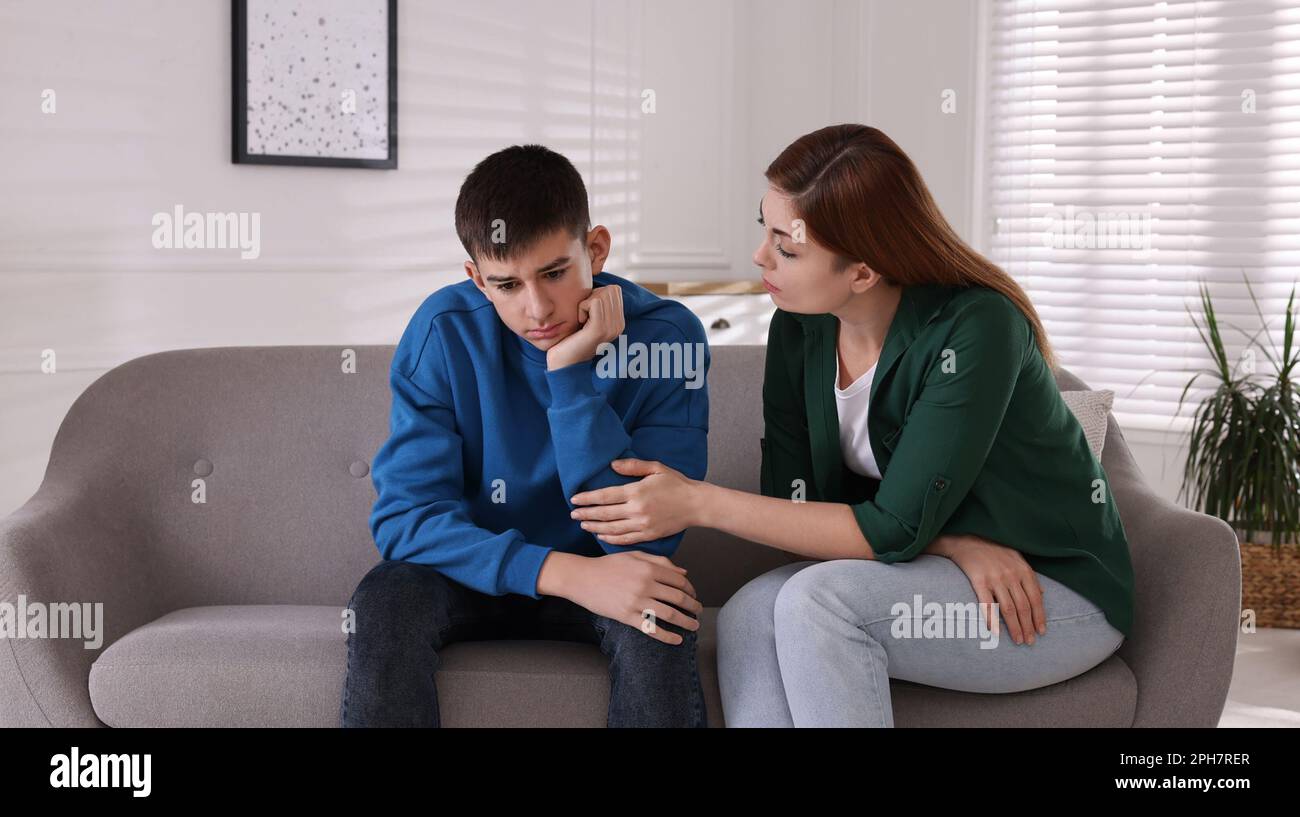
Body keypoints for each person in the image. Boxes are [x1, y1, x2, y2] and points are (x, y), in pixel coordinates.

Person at [568, 124, 1135, 727]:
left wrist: (696, 503)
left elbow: (888, 526)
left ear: (862, 272)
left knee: (820, 603)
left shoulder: (978, 329)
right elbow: (802, 508)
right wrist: (948, 540)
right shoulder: (800, 325)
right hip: (937, 565)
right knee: (747, 612)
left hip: (1050, 589)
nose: (761, 256)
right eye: (764, 227)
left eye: (787, 247)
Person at [341, 144, 710, 728]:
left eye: (555, 273)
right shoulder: (443, 332)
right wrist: (565, 574)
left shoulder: (667, 337)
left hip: (608, 572)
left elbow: (643, 542)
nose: (537, 309)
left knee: (659, 607)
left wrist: (569, 375)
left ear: (596, 249)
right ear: (476, 279)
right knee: (387, 597)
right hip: (471, 575)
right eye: (506, 285)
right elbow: (404, 521)